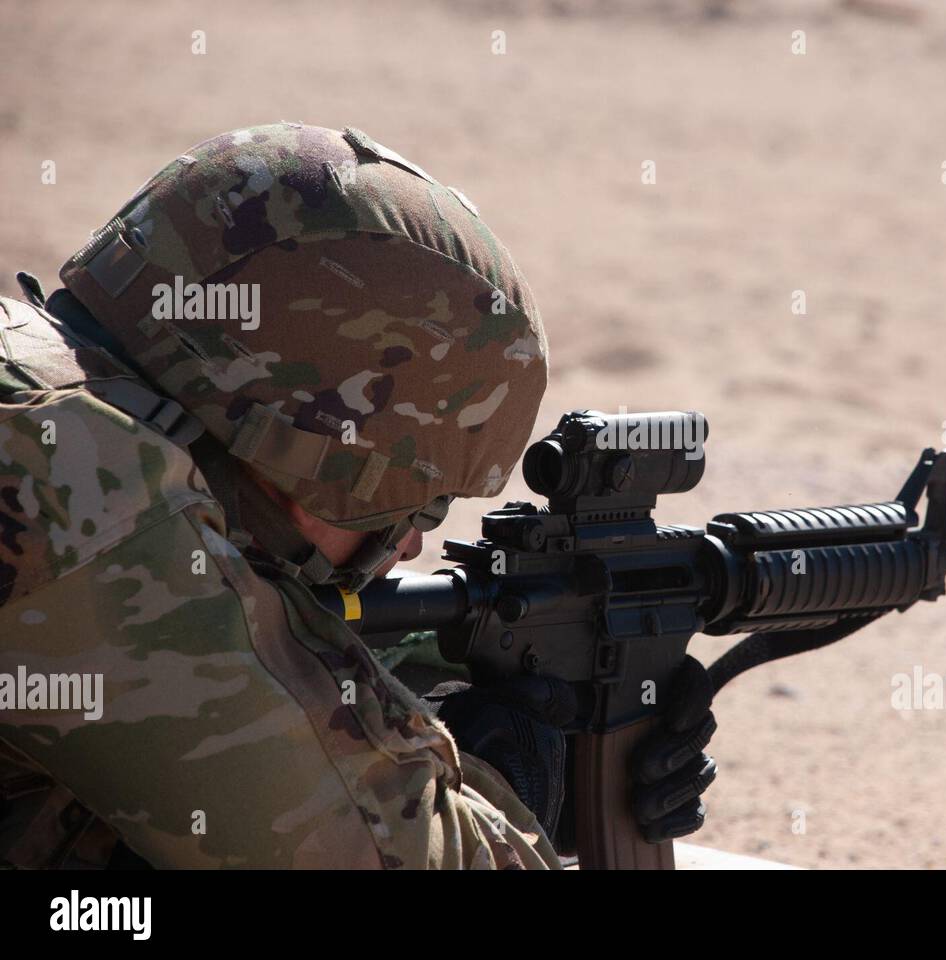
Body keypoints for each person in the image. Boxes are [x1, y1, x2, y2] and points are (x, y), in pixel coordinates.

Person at [0, 122, 715, 869]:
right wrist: (517, 784)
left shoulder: (51, 412)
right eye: (416, 506)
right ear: (317, 462)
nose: (410, 545)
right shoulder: (94, 496)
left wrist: (467, 694)